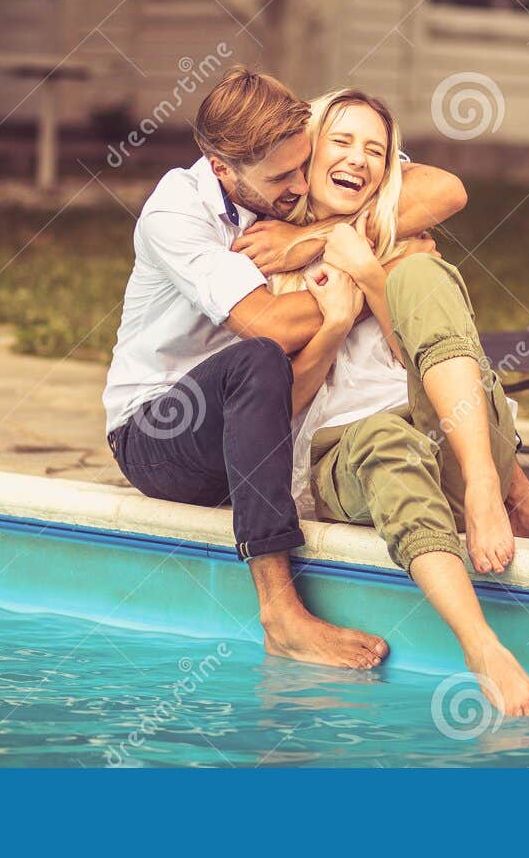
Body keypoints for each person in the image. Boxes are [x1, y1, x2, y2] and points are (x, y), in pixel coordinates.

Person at [103, 67, 467, 670]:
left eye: (304, 165)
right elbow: (268, 324)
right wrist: (369, 263)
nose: (300, 185)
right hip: (160, 436)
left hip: (263, 431)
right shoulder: (176, 213)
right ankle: (280, 614)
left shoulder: (288, 175)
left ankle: (508, 497)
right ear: (222, 169)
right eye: (282, 178)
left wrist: (323, 234)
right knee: (256, 357)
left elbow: (443, 190)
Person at [264, 88, 529, 717]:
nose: (357, 159)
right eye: (341, 142)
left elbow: (408, 356)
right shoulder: (265, 254)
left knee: (423, 276)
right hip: (351, 462)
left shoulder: (395, 237)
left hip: (454, 440)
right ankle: (482, 649)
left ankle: (485, 488)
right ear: (306, 155)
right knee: (380, 438)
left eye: (375, 149)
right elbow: (272, 408)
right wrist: (333, 318)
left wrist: (368, 274)